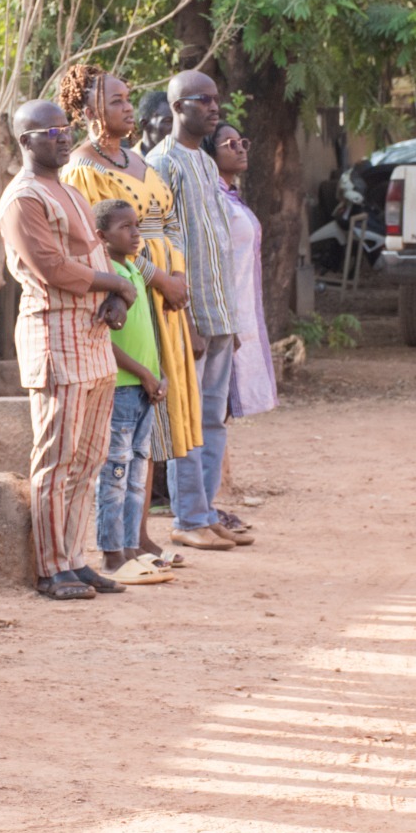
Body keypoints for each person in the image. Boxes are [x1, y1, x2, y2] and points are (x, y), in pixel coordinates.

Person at [58, 64, 200, 568]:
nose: (127, 106)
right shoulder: (82, 169)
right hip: (136, 295)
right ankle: (123, 539)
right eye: (115, 100)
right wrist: (159, 277)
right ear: (91, 110)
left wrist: (179, 290)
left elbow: (161, 224)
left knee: (155, 419)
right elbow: (102, 242)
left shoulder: (136, 159)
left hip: (165, 297)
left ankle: (140, 530)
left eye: (127, 97)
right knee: (130, 423)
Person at [0, 99, 138, 600]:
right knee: (57, 457)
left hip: (94, 334)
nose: (60, 136)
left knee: (90, 456)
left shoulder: (72, 191)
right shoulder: (23, 199)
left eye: (65, 128)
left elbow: (96, 256)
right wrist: (117, 287)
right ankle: (51, 567)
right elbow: (53, 268)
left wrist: (118, 297)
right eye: (47, 130)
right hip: (55, 332)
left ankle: (76, 559)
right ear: (24, 141)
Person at [146, 70, 254, 551]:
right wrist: (184, 317)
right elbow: (161, 246)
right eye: (203, 101)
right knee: (186, 418)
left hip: (221, 313)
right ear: (177, 107)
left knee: (213, 419)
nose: (214, 108)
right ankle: (187, 518)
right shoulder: (161, 163)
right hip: (187, 315)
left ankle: (205, 512)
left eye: (216, 100)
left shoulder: (208, 165)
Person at [92, 198, 175, 586]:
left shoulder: (133, 272)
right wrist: (143, 373)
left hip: (145, 387)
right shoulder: (106, 275)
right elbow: (103, 341)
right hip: (123, 387)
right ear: (101, 235)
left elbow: (147, 332)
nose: (136, 233)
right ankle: (111, 555)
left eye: (137, 226)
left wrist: (158, 376)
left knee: (138, 472)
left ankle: (130, 548)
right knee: (116, 472)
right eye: (125, 228)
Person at [203, 121, 278, 422]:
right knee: (216, 407)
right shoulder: (213, 198)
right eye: (230, 144)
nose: (240, 149)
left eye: (242, 142)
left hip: (243, 307)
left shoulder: (231, 195)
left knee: (224, 411)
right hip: (225, 313)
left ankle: (221, 470)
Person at [136, 90, 173, 158]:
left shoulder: (183, 159)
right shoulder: (129, 162)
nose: (176, 127)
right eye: (168, 121)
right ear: (145, 124)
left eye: (177, 122)